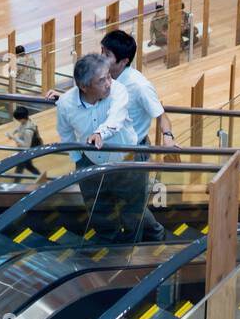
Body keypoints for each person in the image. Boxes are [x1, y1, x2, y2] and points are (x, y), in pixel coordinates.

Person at [55, 53, 145, 242]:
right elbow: (66, 133)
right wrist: (78, 159)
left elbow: (117, 118)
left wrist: (100, 133)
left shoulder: (118, 90)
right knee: (98, 207)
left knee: (133, 208)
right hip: (90, 161)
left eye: (109, 76)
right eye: (101, 80)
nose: (108, 83)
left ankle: (141, 242)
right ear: (84, 86)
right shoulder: (65, 104)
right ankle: (110, 243)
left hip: (126, 160)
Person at [100, 29, 177, 241]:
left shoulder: (139, 85)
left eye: (107, 55)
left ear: (123, 61)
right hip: (110, 149)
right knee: (115, 199)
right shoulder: (103, 76)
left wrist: (168, 137)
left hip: (133, 152)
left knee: (131, 207)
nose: (101, 57)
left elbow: (161, 115)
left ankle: (147, 240)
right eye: (102, 51)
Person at [7, 105, 42, 177]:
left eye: (18, 119)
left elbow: (26, 146)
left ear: (22, 118)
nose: (18, 121)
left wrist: (14, 137)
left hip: (29, 150)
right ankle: (39, 177)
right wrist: (13, 132)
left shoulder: (28, 131)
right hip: (26, 149)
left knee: (24, 165)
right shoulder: (28, 120)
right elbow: (20, 127)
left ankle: (16, 181)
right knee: (24, 165)